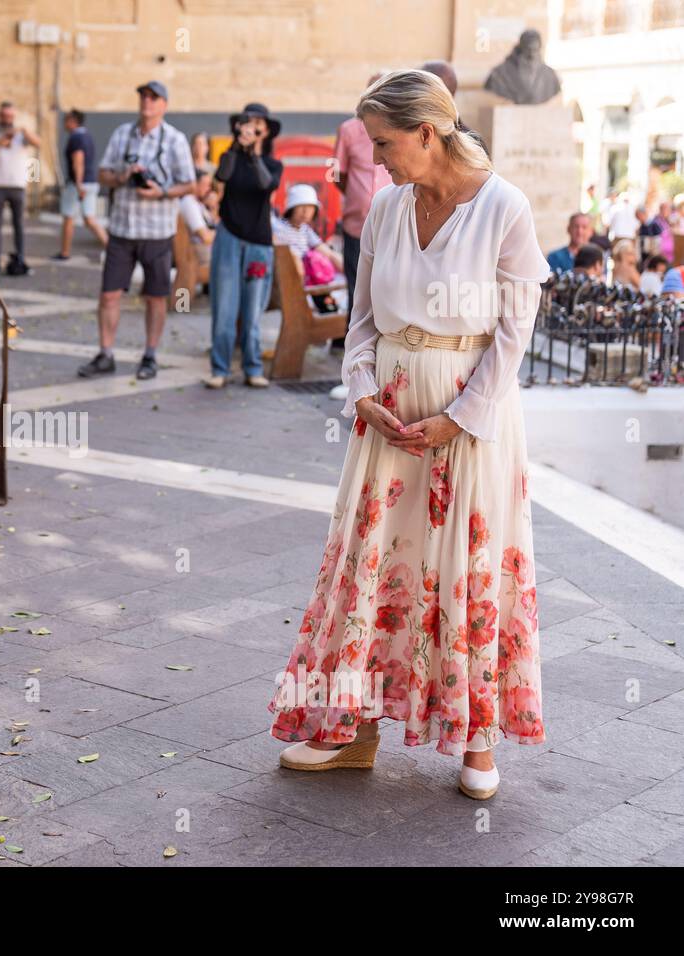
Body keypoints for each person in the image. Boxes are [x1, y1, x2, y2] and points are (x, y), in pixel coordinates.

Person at [267, 69, 550, 802]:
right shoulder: (388, 208)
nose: (377, 160)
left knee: (471, 566)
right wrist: (361, 391)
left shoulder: (505, 208)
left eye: (385, 144)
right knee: (368, 568)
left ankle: (478, 737)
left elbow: (515, 335)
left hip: (470, 424)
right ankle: (351, 730)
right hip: (386, 420)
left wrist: (460, 416)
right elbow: (363, 318)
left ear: (428, 132)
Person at [78, 80, 195, 381]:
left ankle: (150, 354)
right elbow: (102, 174)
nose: (147, 101)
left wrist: (162, 191)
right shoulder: (122, 134)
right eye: (143, 96)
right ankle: (106, 354)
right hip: (121, 229)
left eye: (154, 97)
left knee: (156, 297)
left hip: (157, 231)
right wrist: (124, 175)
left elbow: (190, 184)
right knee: (108, 295)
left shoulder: (175, 140)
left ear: (164, 105)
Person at [200, 101, 281, 389]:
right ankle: (219, 369)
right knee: (224, 307)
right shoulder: (229, 157)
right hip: (228, 238)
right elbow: (220, 177)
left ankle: (252, 367)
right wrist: (237, 147)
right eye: (248, 122)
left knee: (252, 313)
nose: (252, 127)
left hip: (259, 243)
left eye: (259, 123)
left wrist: (254, 152)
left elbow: (265, 185)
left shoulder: (272, 164)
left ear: (267, 131)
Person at [334, 76, 393, 352]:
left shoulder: (398, 128)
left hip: (390, 225)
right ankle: (354, 351)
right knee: (357, 289)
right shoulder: (347, 130)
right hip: (356, 222)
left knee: (385, 287)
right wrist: (355, 198)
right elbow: (336, 173)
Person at [0, 101, 40, 275]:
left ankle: (20, 259)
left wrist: (24, 131)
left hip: (18, 185)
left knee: (19, 224)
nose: (7, 120)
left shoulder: (21, 136)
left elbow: (39, 144)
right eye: (4, 116)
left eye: (10, 116)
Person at [272, 183, 345, 312]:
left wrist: (344, 266)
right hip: (293, 275)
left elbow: (324, 250)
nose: (306, 212)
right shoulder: (279, 227)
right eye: (301, 207)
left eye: (310, 208)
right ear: (291, 208)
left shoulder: (305, 230)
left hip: (310, 274)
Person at [53, 110, 107, 260]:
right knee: (89, 219)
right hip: (91, 181)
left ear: (73, 120)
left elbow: (78, 160)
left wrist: (78, 184)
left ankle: (64, 252)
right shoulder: (87, 136)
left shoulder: (76, 137)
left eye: (66, 120)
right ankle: (111, 248)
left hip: (78, 183)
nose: (64, 123)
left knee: (68, 217)